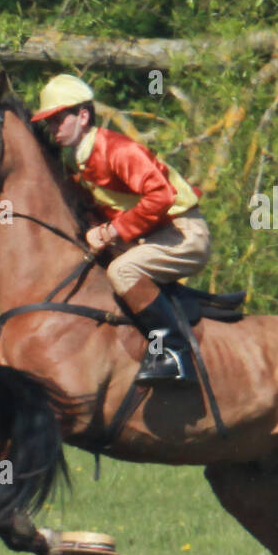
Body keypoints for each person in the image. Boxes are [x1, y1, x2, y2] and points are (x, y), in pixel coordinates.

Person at [32, 73, 211, 386]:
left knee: (123, 272)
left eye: (58, 120)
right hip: (151, 236)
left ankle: (175, 353)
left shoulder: (118, 150)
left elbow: (162, 196)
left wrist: (109, 233)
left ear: (83, 115)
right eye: (49, 123)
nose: (53, 129)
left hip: (184, 234)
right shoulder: (78, 160)